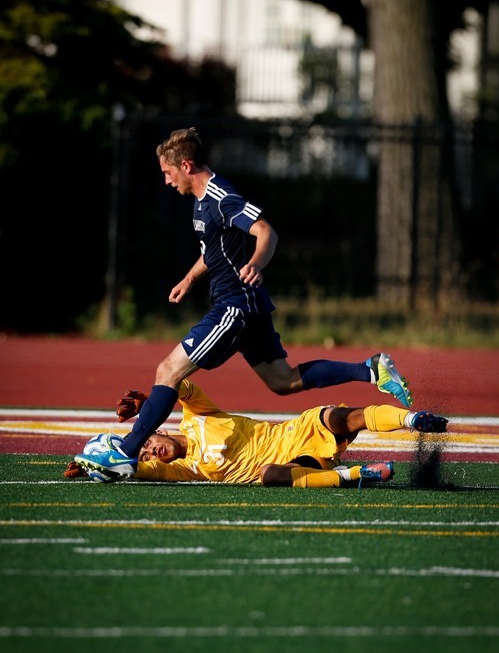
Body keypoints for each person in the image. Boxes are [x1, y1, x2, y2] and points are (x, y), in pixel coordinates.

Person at [102, 126, 412, 473]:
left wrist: (256, 263)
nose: (166, 181)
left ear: (185, 166)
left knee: (168, 370)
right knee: (284, 381)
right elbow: (214, 251)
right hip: (243, 304)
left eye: (167, 173)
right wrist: (189, 279)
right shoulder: (202, 204)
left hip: (235, 304)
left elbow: (266, 231)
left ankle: (126, 451)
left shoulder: (221, 196)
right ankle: (371, 369)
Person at [67, 380, 447, 487]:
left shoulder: (196, 416)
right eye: (145, 455)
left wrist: (149, 400)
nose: (149, 454)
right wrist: (89, 465)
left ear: (157, 430)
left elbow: (179, 386)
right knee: (270, 475)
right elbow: (126, 468)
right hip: (293, 464)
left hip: (294, 430)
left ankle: (413, 421)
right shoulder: (184, 470)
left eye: (146, 444)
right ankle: (352, 476)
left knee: (340, 417)